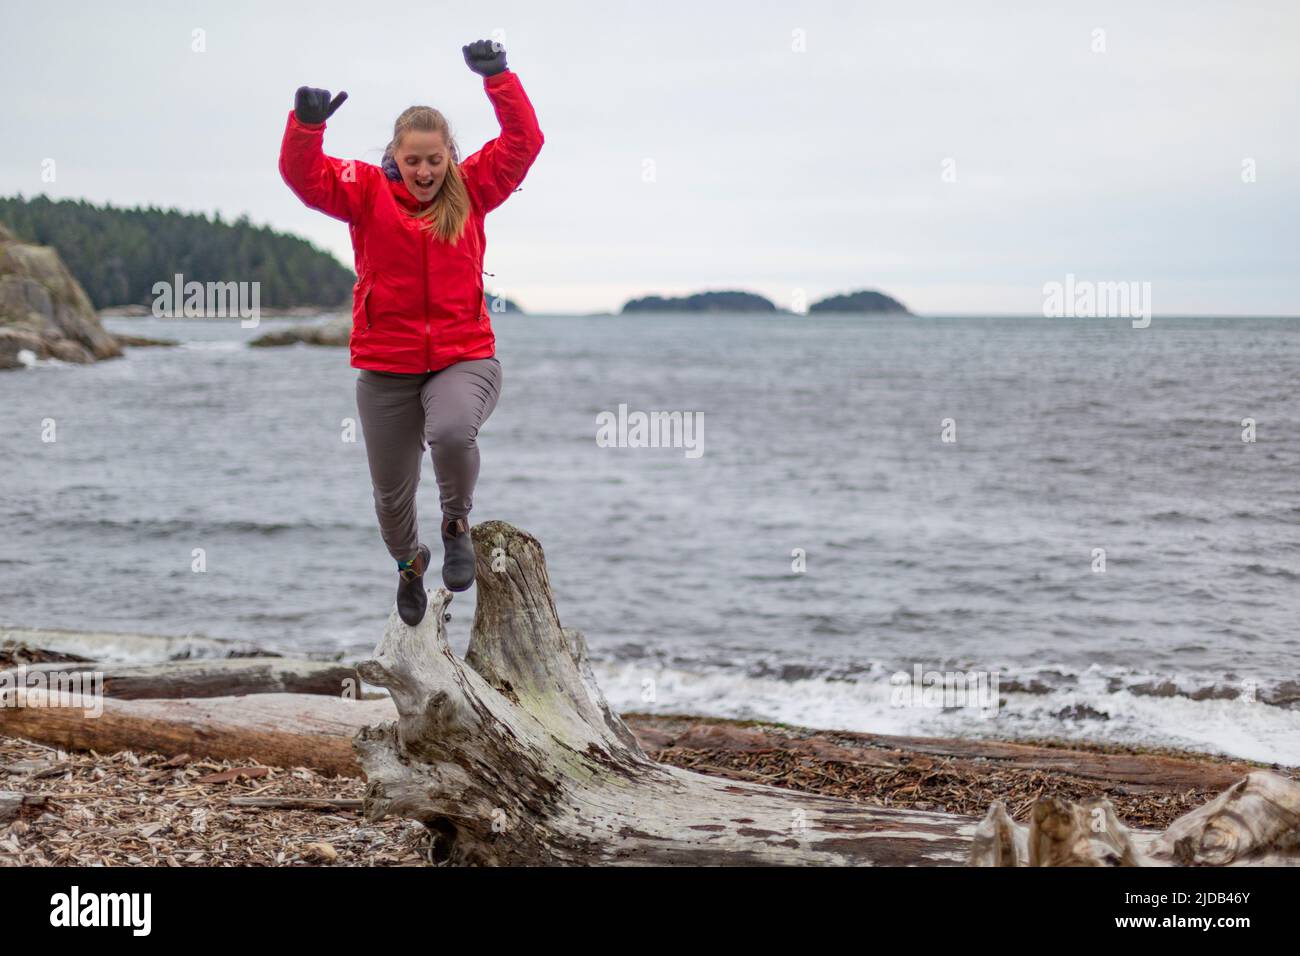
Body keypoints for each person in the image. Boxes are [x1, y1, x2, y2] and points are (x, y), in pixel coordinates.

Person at [279, 39, 543, 626]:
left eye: (435, 159)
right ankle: (409, 564)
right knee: (391, 500)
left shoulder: (475, 188)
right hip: (387, 367)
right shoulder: (366, 191)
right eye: (414, 161)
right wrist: (305, 126)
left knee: (452, 433)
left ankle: (456, 525)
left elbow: (525, 142)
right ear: (395, 157)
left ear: (450, 155)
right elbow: (306, 178)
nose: (425, 172)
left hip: (464, 358)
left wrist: (498, 77)